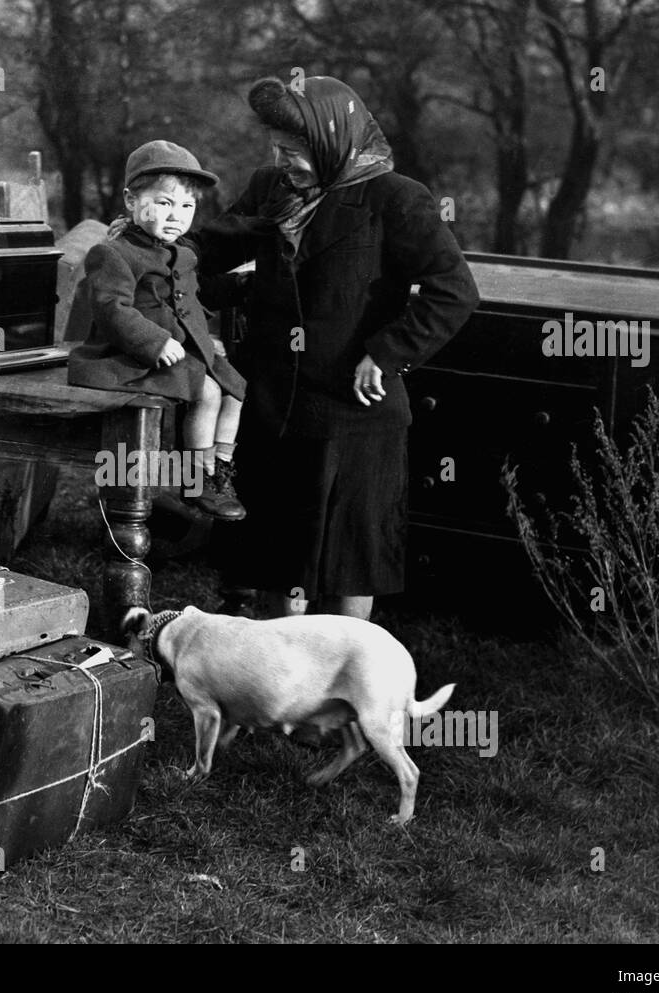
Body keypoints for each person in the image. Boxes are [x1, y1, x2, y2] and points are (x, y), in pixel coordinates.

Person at [193, 76, 480, 620]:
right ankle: (282, 690)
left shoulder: (394, 198)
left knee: (350, 560)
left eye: (294, 149)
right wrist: (149, 243)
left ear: (332, 141)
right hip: (276, 407)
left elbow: (454, 289)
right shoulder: (271, 188)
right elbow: (210, 248)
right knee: (278, 559)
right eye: (276, 146)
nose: (282, 159)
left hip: (355, 416)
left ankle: (344, 690)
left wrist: (388, 351)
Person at [68, 140, 247, 520]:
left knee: (236, 388)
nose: (177, 216)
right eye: (164, 203)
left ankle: (219, 470)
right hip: (127, 355)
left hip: (179, 349)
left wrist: (206, 339)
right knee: (209, 391)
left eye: (187, 206)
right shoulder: (114, 253)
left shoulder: (182, 252)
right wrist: (154, 340)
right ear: (132, 201)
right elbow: (112, 309)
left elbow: (188, 303)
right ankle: (196, 480)